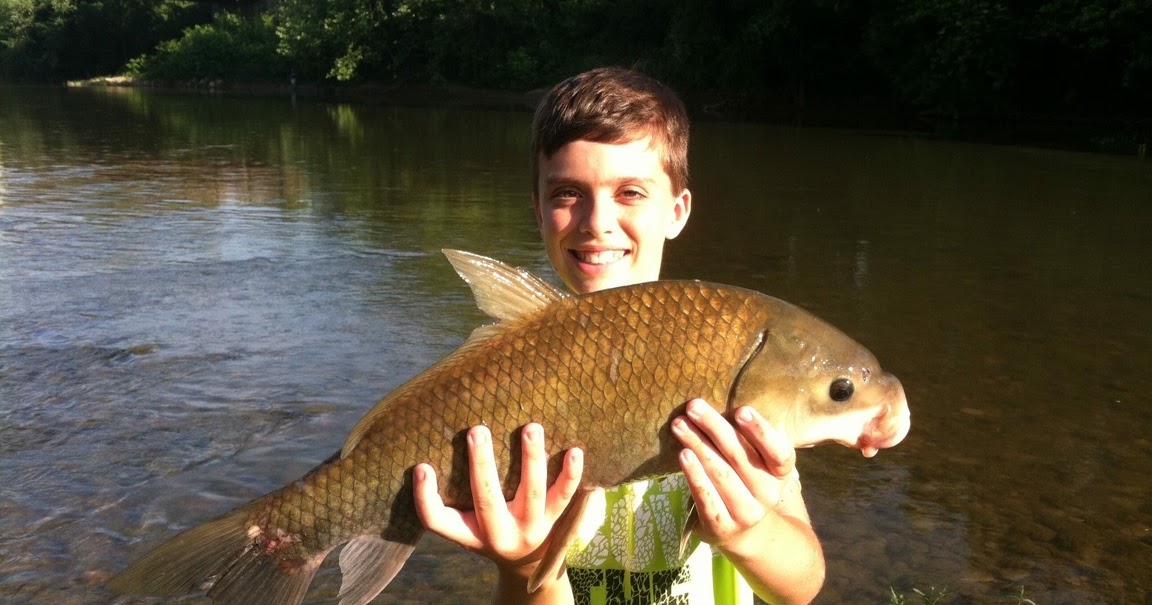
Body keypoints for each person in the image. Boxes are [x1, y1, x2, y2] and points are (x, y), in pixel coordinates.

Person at [411, 67, 825, 605]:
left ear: (676, 211)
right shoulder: (505, 379)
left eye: (630, 192)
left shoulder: (728, 356)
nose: (596, 221)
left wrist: (750, 533)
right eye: (566, 193)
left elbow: (803, 583)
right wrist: (524, 566)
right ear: (537, 210)